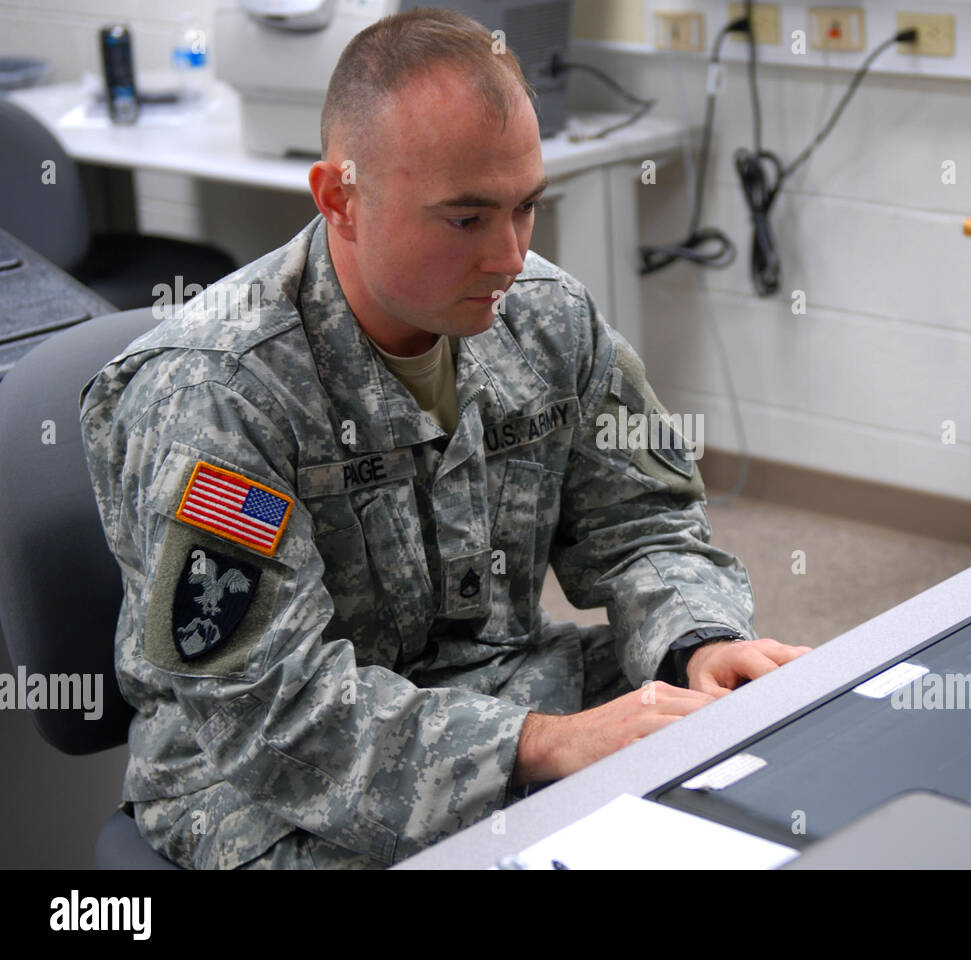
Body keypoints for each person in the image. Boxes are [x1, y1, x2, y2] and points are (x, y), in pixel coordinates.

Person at [79, 7, 809, 870]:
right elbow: (270, 714)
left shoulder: (545, 314)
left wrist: (700, 642)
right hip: (261, 785)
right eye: (465, 220)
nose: (508, 255)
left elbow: (644, 524)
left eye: (526, 207)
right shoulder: (216, 393)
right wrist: (540, 746)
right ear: (340, 199)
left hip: (502, 692)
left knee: (750, 725)